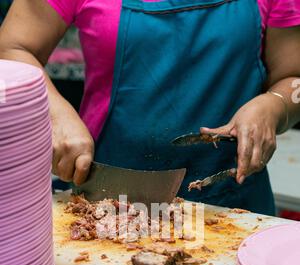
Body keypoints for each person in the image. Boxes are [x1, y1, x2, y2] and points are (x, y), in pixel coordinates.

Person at [1, 0, 300, 215]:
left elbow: (293, 79)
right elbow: (11, 49)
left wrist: (274, 107)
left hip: (234, 209)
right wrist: (56, 115)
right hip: (106, 207)